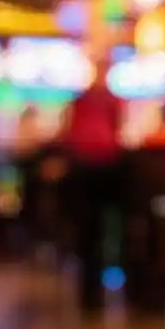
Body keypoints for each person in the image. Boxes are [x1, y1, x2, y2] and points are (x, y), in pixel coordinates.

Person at [62, 53, 124, 312]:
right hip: (100, 167)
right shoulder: (106, 100)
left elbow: (69, 133)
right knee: (99, 228)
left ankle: (91, 295)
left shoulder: (84, 100)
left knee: (89, 229)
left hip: (89, 168)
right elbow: (117, 132)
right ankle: (94, 291)